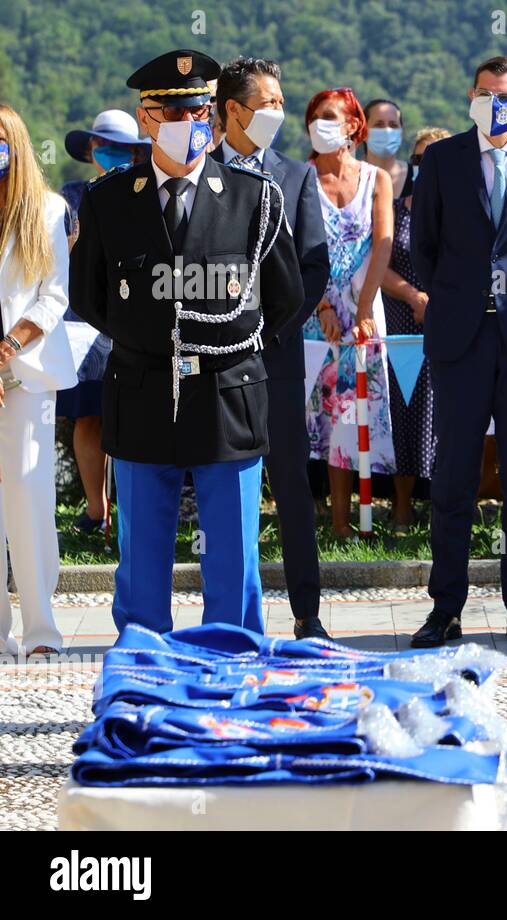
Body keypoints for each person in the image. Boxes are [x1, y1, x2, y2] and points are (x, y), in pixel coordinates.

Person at [69, 49, 303, 636]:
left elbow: (284, 297)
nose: (187, 124)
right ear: (145, 118)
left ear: (215, 118)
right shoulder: (109, 201)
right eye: (170, 113)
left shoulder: (255, 197)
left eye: (199, 110)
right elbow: (91, 297)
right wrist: (148, 341)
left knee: (233, 558)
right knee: (143, 559)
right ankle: (145, 678)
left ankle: (229, 678)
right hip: (143, 388)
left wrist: (229, 344)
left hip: (227, 393)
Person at [409, 56, 507, 648]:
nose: (492, 103)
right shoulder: (443, 159)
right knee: (453, 475)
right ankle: (444, 607)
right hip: (459, 337)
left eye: (503, 96)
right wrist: (459, 297)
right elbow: (423, 249)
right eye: (482, 93)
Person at [213, 56, 331, 639]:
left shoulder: (295, 176)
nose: (279, 114)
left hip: (276, 355)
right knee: (220, 488)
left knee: (290, 484)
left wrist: (273, 326)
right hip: (211, 359)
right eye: (267, 104)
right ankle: (230, 620)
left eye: (282, 103)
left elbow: (315, 266)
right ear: (232, 111)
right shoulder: (198, 172)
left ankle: (308, 615)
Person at [301, 87, 397, 537]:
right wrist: (321, 304)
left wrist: (362, 306)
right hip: (315, 310)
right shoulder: (300, 179)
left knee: (357, 413)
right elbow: (294, 249)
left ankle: (365, 520)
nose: (321, 122)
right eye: (315, 116)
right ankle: (336, 523)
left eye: (331, 115)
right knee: (325, 418)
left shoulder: (377, 179)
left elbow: (383, 242)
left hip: (363, 306)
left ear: (353, 125)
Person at [0, 105, 78, 656]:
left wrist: (8, 348)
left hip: (25, 371)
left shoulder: (48, 210)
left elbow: (54, 294)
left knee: (29, 496)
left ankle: (42, 631)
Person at [58, 109, 151, 537]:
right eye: (101, 145)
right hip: (81, 322)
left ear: (135, 152)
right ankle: (97, 509)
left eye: (119, 147)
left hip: (134, 319)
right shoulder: (70, 196)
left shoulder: (146, 192)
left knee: (136, 415)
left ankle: (138, 511)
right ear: (91, 149)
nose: (108, 152)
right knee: (88, 416)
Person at [374, 111, 439, 530]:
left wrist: (436, 302)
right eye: (418, 158)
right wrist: (415, 297)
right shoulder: (395, 209)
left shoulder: (462, 215)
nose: (424, 165)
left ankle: (447, 507)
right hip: (401, 322)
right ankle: (401, 506)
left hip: (447, 325)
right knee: (404, 409)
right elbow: (378, 265)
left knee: (446, 417)